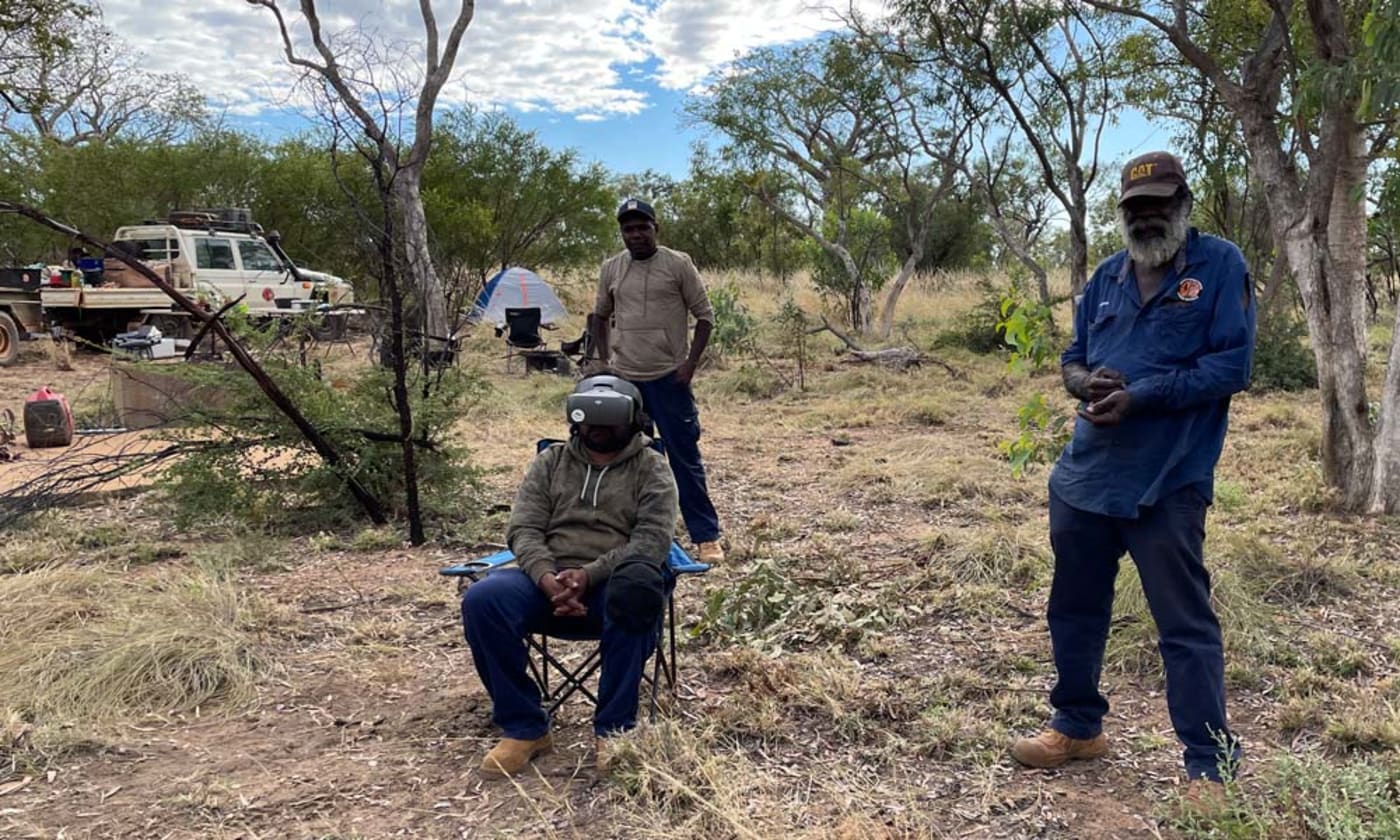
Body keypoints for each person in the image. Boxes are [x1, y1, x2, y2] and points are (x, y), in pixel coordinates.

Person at [1010, 151, 1257, 799]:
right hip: (1087, 475)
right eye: (1135, 209)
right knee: (1074, 608)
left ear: (1183, 204)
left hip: (1168, 479)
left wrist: (1142, 395)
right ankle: (1078, 727)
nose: (1147, 218)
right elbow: (1071, 360)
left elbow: (1232, 367)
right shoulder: (1107, 278)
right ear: (1121, 213)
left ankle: (1209, 760)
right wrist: (1085, 383)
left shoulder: (1220, 266)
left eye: (1159, 205)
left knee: (1183, 622)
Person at [461, 374, 679, 777]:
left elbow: (651, 541)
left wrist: (588, 575)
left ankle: (613, 730)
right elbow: (523, 529)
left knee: (636, 590)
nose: (597, 425)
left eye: (610, 417)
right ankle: (525, 727)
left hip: (613, 584)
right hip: (546, 583)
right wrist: (547, 576)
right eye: (588, 416)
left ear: (633, 419)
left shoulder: (652, 469)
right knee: (484, 599)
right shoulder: (551, 462)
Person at [588, 198, 724, 565]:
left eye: (641, 227)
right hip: (626, 381)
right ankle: (628, 534)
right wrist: (604, 364)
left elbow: (705, 317)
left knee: (684, 457)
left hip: (668, 378)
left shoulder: (678, 264)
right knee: (625, 457)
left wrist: (689, 366)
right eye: (628, 229)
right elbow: (599, 316)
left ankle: (706, 536)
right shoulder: (612, 268)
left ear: (655, 228)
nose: (635, 235)